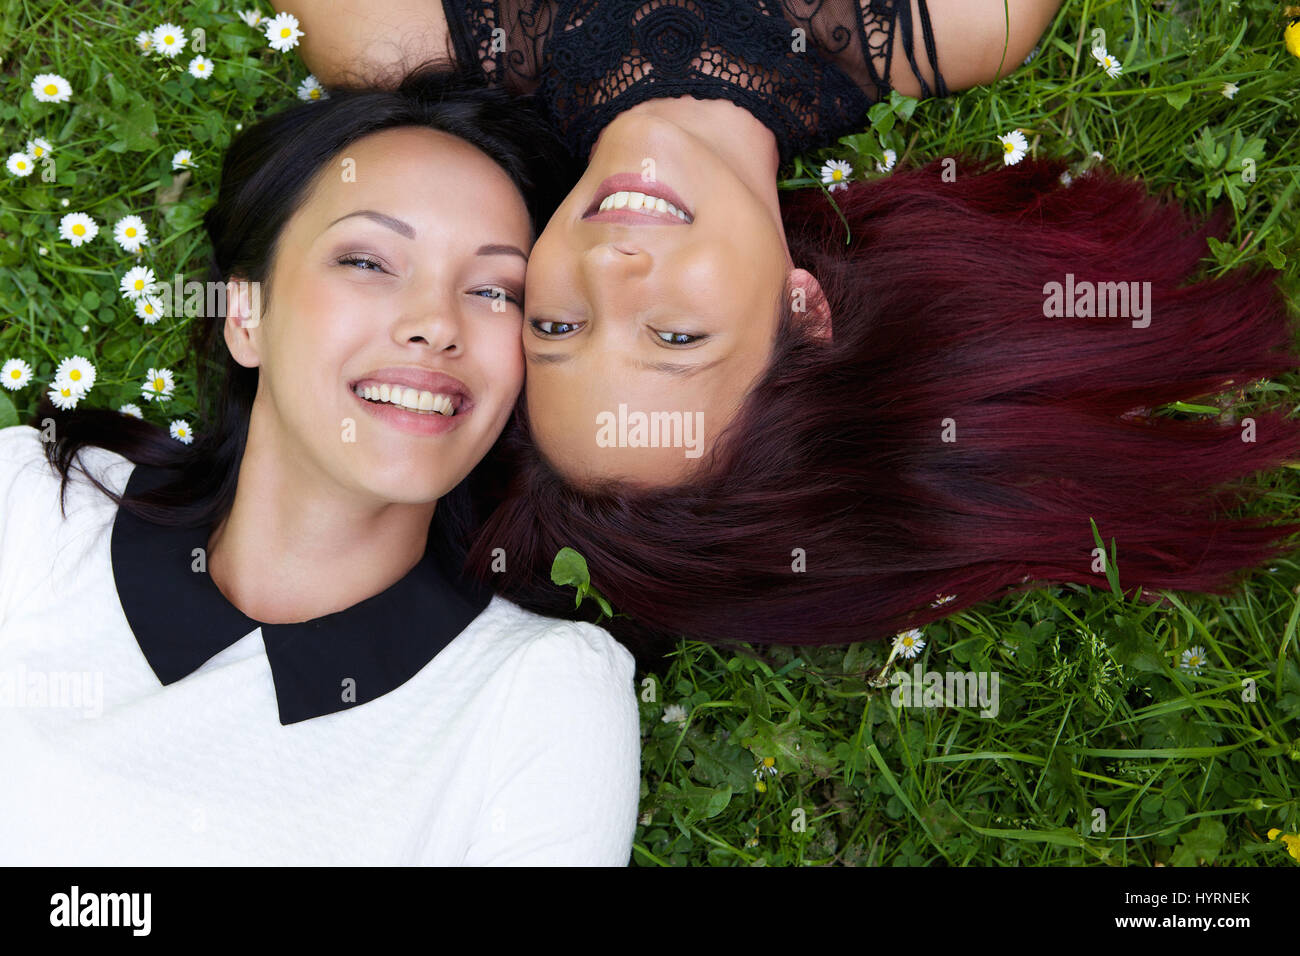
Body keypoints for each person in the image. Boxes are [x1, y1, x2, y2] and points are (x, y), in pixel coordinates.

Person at [284, 2, 1300, 660]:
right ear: (804, 308)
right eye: (674, 335)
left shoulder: (391, 34)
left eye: (557, 321)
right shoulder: (956, 19)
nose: (607, 264)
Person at [0, 67, 639, 865]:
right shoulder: (33, 512)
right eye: (369, 262)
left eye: (494, 290)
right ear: (245, 317)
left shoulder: (540, 701)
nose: (436, 325)